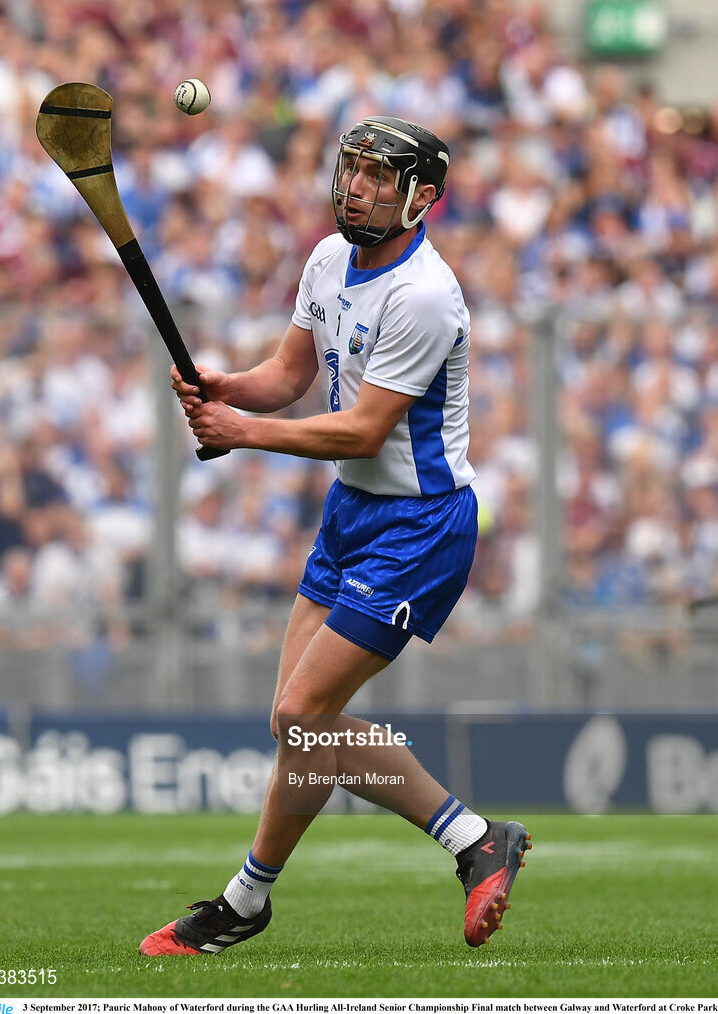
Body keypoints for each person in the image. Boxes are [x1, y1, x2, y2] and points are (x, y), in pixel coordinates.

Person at [139, 116, 531, 957]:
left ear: (421, 198)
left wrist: (238, 431)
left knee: (303, 713)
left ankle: (473, 840)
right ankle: (246, 901)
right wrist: (224, 384)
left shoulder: (423, 294)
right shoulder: (327, 258)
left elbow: (359, 430)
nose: (355, 186)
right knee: (299, 730)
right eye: (351, 169)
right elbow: (288, 376)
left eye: (377, 177)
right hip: (351, 515)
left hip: (420, 526)